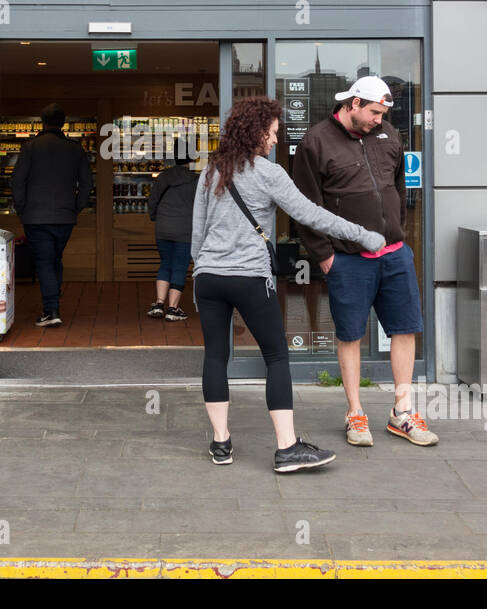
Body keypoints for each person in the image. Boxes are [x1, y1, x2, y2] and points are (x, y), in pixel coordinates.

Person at [192, 95, 386, 473]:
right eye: (274, 132)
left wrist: (202, 269)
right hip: (249, 276)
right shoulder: (269, 173)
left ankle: (221, 444)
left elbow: (197, 233)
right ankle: (286, 448)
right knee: (277, 357)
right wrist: (364, 234)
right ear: (257, 132)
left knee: (215, 356)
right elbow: (311, 215)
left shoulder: (211, 171)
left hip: (209, 278)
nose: (277, 139)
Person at [292, 75, 436, 448]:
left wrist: (396, 234)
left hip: (394, 254)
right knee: (350, 334)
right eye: (373, 112)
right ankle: (355, 412)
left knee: (405, 328)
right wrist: (325, 257)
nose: (379, 120)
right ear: (353, 104)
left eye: (383, 113)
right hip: (347, 260)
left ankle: (402, 412)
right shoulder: (315, 142)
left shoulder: (388, 135)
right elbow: (304, 207)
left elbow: (398, 189)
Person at [11, 103, 94, 327]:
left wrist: (22, 208)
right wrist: (76, 206)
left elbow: (17, 181)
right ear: (63, 123)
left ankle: (51, 310)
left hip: (36, 217)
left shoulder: (30, 147)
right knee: (55, 258)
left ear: (43, 122)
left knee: (45, 261)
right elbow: (87, 183)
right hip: (65, 217)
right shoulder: (75, 148)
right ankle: (53, 300)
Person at [147, 140, 196, 322]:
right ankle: (173, 309)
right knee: (180, 266)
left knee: (165, 263)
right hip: (185, 231)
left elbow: (152, 202)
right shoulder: (195, 180)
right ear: (191, 158)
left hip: (164, 229)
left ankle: (159, 303)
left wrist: (155, 218)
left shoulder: (163, 177)